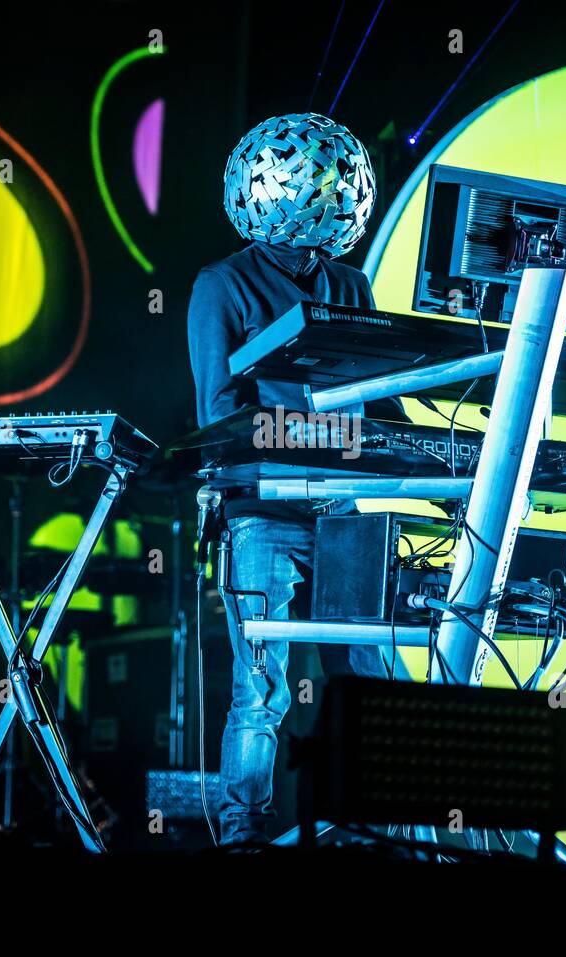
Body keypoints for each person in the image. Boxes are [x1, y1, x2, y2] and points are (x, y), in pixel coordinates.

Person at [187, 112, 407, 844]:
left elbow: (383, 398)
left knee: (371, 676)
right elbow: (220, 411)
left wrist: (444, 439)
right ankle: (243, 834)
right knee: (261, 689)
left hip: (343, 508)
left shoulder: (351, 283)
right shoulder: (221, 285)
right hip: (266, 511)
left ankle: (379, 825)